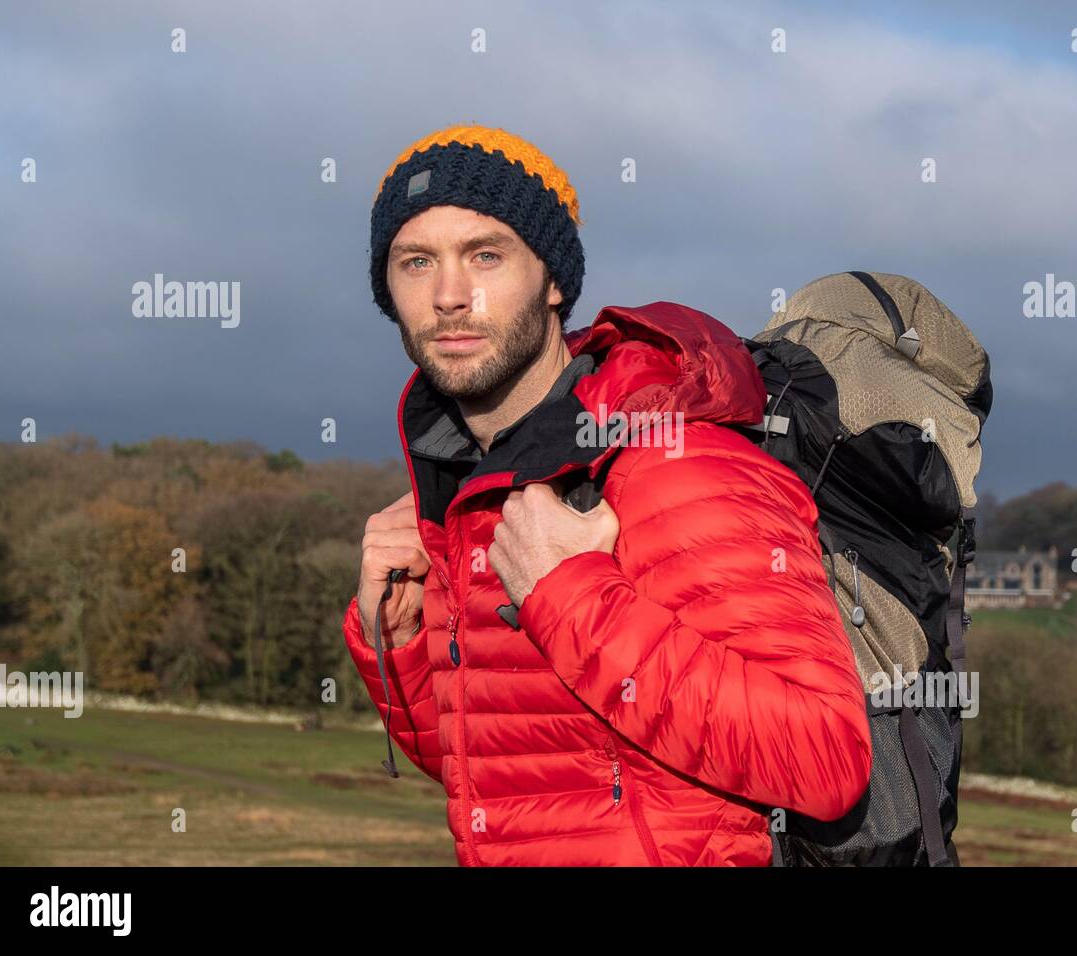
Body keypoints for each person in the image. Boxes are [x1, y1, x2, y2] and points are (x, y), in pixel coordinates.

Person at [344, 123, 871, 866]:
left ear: (554, 280)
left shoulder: (676, 461)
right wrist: (393, 637)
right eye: (416, 262)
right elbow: (513, 777)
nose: (449, 296)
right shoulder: (465, 495)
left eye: (485, 255)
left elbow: (826, 759)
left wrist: (572, 596)